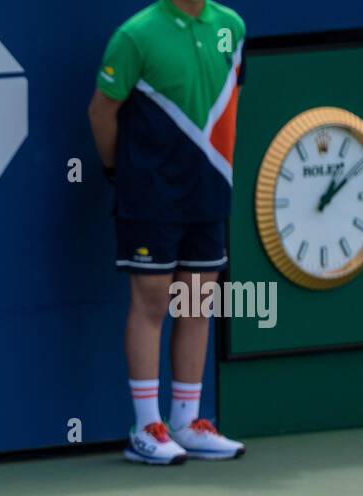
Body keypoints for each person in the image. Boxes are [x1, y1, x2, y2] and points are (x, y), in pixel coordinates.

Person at [88, 0, 247, 464]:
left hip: (209, 188)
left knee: (198, 300)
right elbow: (102, 112)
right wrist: (122, 171)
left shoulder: (231, 27)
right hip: (149, 194)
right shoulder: (136, 34)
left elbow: (229, 100)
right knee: (154, 301)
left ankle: (187, 419)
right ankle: (147, 425)